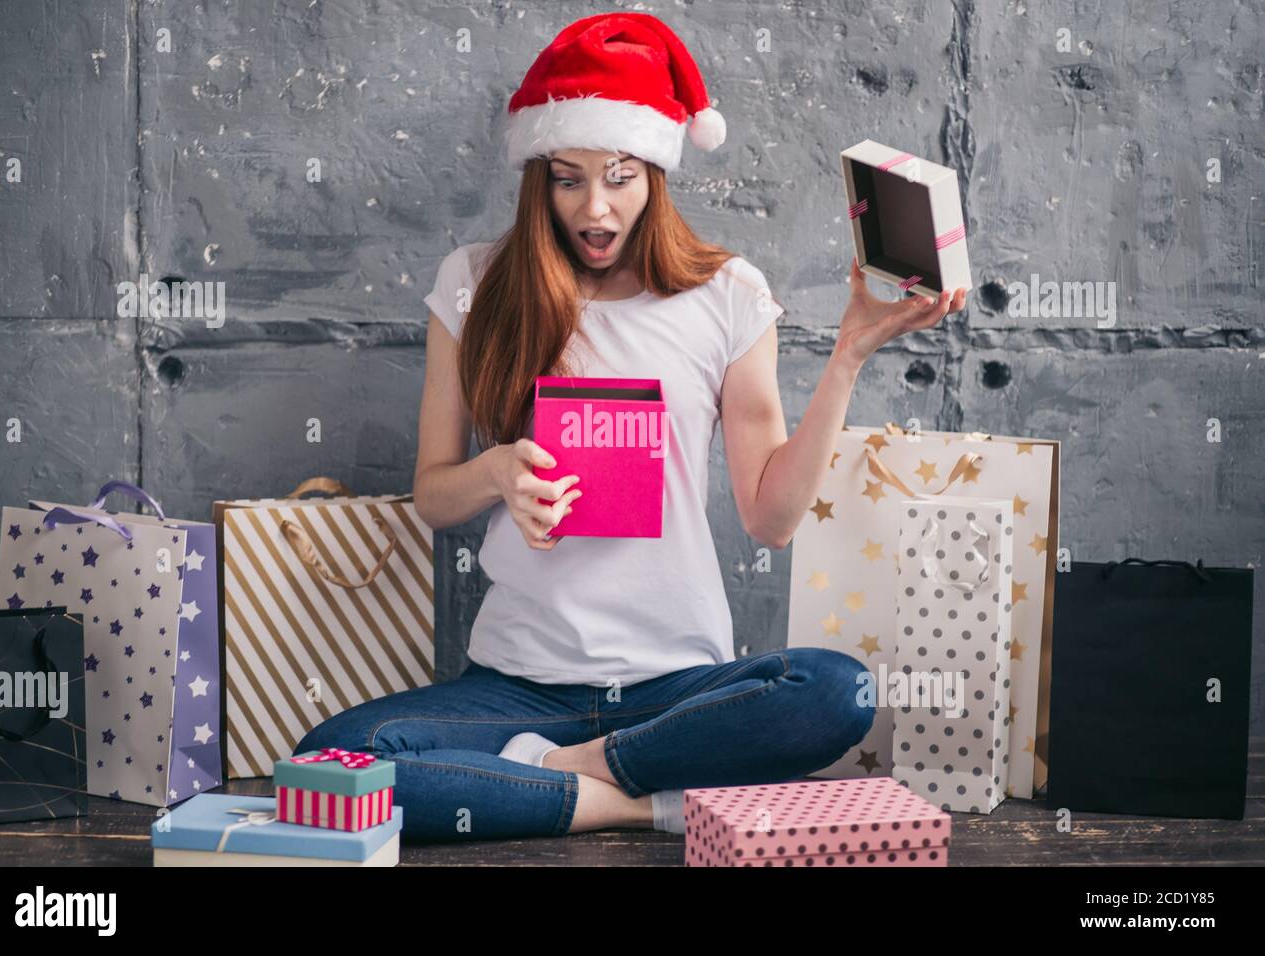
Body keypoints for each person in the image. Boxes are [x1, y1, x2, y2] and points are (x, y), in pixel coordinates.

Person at [294, 12, 967, 844]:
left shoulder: (728, 294)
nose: (595, 206)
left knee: (838, 691)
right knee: (331, 761)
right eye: (568, 179)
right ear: (538, 179)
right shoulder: (470, 285)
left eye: (619, 176)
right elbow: (434, 496)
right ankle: (651, 804)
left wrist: (849, 357)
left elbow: (774, 519)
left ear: (655, 171)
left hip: (676, 692)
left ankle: (572, 776)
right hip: (516, 687)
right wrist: (499, 471)